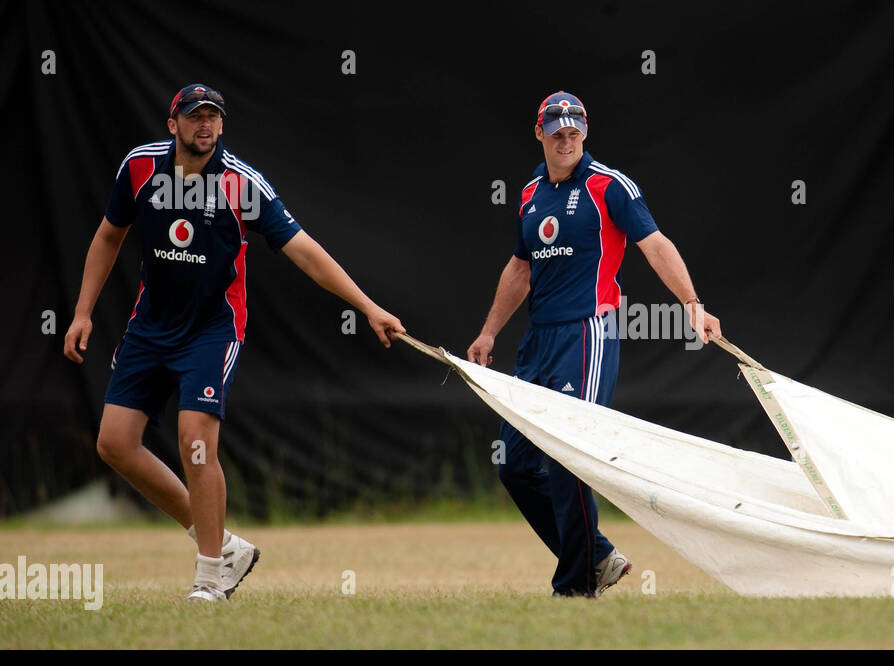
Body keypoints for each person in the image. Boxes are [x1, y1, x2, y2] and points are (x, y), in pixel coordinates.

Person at [63, 84, 405, 602]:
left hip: (212, 330)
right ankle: (224, 545)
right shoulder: (139, 167)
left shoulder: (241, 184)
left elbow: (305, 251)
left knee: (195, 441)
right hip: (150, 327)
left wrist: (367, 306)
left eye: (214, 118)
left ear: (222, 126)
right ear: (172, 123)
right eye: (194, 116)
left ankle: (209, 579)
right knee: (114, 443)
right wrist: (83, 311)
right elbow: (109, 235)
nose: (205, 125)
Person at [467, 91, 721, 597]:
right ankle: (598, 555)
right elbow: (521, 268)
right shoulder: (530, 192)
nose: (566, 141)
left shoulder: (610, 187)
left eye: (573, 133)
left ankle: (577, 584)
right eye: (556, 133)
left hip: (588, 333)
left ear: (584, 133)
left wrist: (691, 302)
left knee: (569, 457)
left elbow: (655, 244)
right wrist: (489, 331)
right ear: (539, 134)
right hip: (539, 339)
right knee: (514, 466)